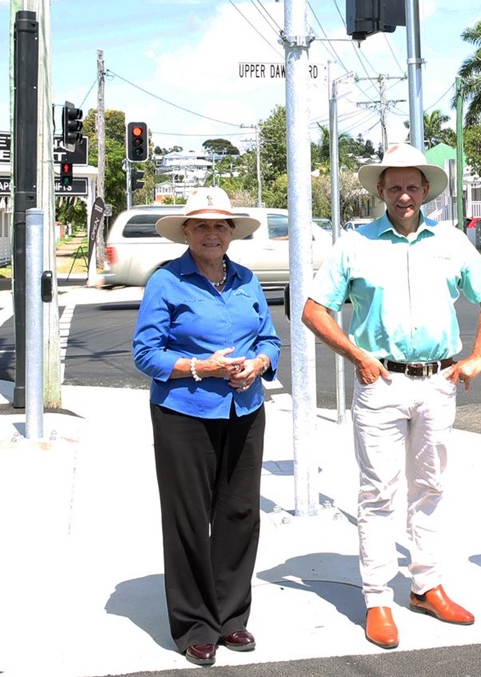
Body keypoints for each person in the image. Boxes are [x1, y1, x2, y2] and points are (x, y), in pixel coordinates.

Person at [301, 143, 481, 651]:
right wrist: (357, 356)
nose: (404, 194)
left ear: (427, 191)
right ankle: (376, 599)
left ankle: (426, 585)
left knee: (430, 488)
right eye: (394, 186)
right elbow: (313, 309)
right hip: (380, 383)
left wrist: (476, 355)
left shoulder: (453, 242)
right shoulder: (355, 245)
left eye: (413, 186)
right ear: (380, 192)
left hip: (438, 384)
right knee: (377, 494)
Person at [131, 188, 280, 667]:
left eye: (220, 226)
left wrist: (259, 363)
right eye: (202, 226)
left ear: (231, 233)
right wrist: (201, 368)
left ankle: (231, 618)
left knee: (239, 516)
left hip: (245, 410)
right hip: (184, 414)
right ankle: (195, 625)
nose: (212, 233)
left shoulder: (247, 280)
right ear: (187, 233)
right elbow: (146, 354)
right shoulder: (166, 282)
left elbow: (269, 338)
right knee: (189, 520)